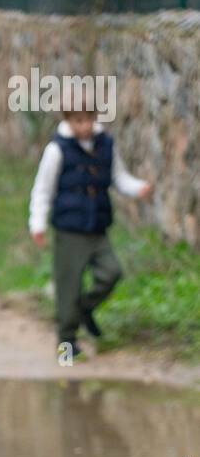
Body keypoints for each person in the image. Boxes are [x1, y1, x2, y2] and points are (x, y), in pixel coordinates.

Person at [29, 104, 153, 358]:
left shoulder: (105, 145)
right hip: (69, 230)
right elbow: (43, 189)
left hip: (97, 228)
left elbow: (119, 177)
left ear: (95, 118)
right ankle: (66, 346)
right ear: (68, 121)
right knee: (68, 288)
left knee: (111, 272)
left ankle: (85, 309)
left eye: (87, 120)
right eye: (77, 121)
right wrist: (38, 223)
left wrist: (138, 188)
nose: (83, 126)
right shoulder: (57, 150)